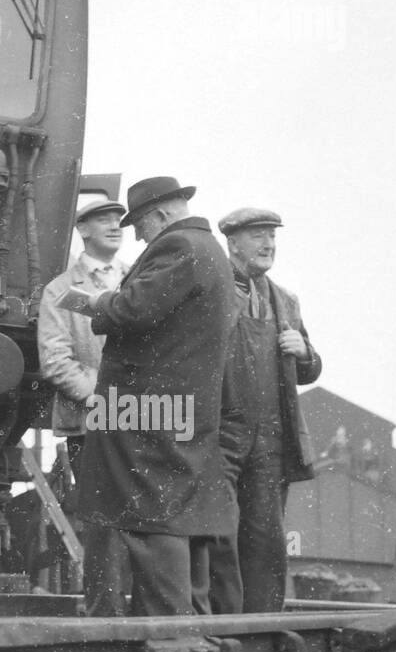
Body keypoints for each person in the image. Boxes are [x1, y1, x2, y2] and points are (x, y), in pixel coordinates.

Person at [60, 176, 236, 616]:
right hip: (178, 405)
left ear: (160, 214)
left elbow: (131, 309)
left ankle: (166, 635)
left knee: (150, 515)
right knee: (174, 515)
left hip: (145, 408)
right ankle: (183, 631)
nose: (136, 235)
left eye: (139, 224)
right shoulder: (209, 250)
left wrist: (81, 303)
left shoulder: (179, 247)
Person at [210, 208, 322, 614]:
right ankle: (220, 626)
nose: (268, 244)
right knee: (217, 532)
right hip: (219, 430)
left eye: (272, 237)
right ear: (232, 242)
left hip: (271, 436)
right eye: (258, 236)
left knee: (266, 539)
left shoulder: (285, 300)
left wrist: (305, 352)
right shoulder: (211, 287)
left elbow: (310, 368)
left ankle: (261, 627)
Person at [36, 195, 132, 613]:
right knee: (101, 520)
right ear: (83, 230)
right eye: (103, 219)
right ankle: (104, 612)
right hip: (90, 421)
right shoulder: (61, 290)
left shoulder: (137, 280)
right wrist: (104, 400)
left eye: (118, 219)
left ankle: (142, 612)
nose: (115, 225)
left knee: (145, 517)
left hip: (142, 420)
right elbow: (55, 359)